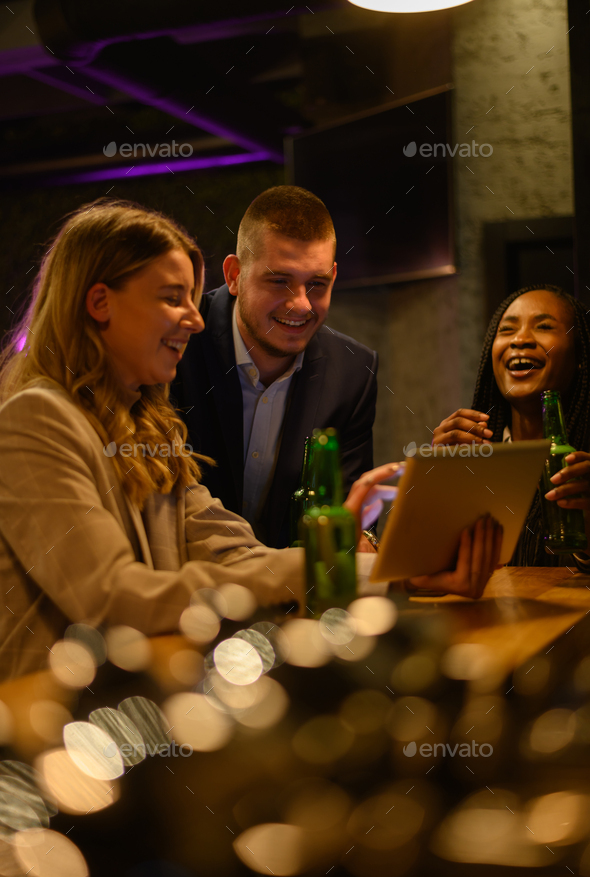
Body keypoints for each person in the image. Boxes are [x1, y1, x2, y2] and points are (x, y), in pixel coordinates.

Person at [0, 199, 501, 681]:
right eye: (172, 298)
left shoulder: (146, 427)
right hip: (37, 730)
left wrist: (397, 573)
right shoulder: (37, 418)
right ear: (100, 302)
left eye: (192, 300)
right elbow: (112, 598)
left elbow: (233, 550)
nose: (195, 319)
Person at [171, 186, 379, 549]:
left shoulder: (353, 372)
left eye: (317, 284)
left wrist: (363, 539)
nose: (301, 305)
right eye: (280, 281)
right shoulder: (176, 341)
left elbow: (345, 513)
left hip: (291, 596)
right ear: (235, 275)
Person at [432, 284, 590, 566]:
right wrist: (438, 480)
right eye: (506, 330)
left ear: (580, 356)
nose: (520, 339)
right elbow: (427, 569)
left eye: (543, 326)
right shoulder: (473, 458)